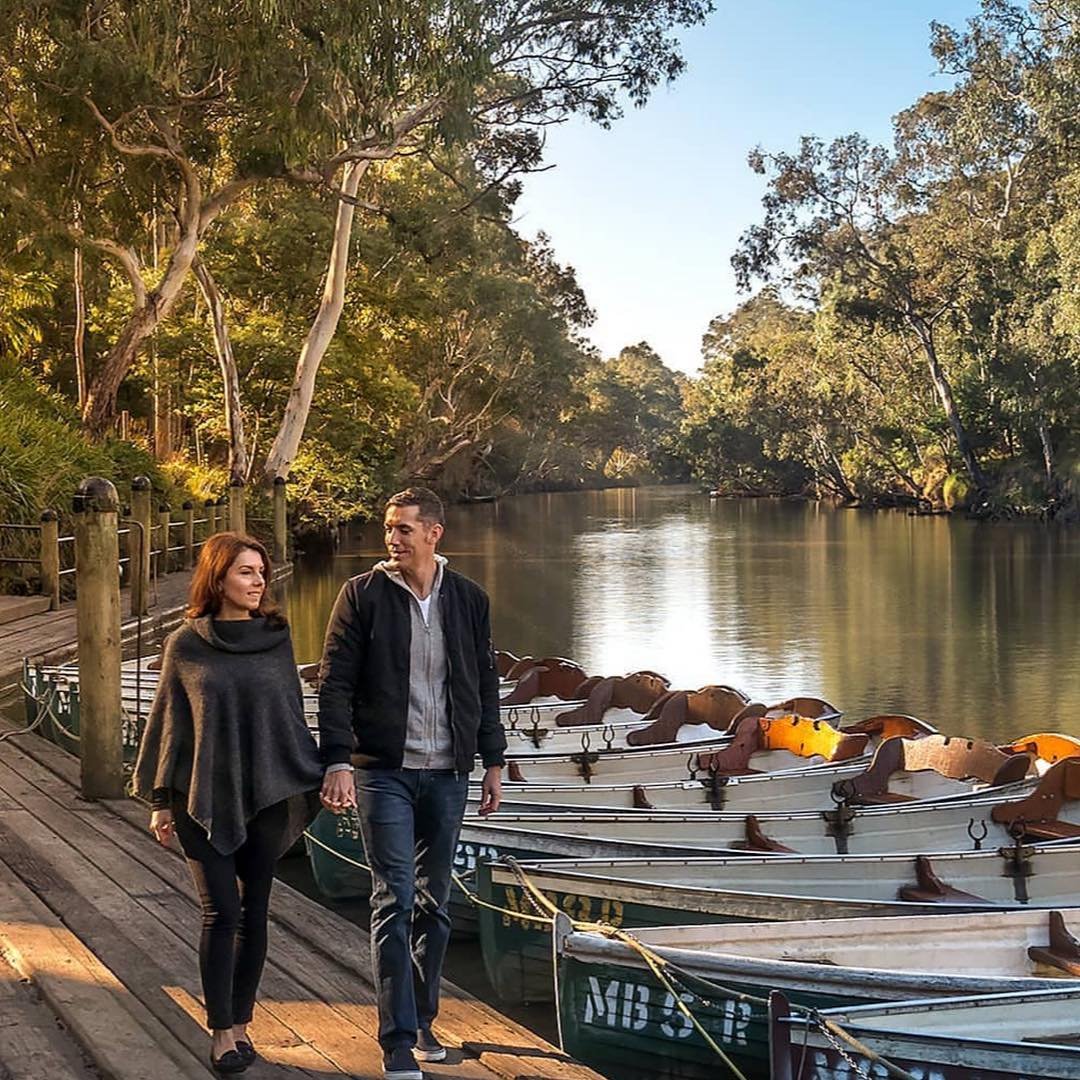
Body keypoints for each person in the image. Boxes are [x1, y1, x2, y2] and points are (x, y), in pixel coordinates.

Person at [318, 487, 505, 1080]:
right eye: (388, 528)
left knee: (436, 904)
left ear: (434, 533)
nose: (392, 538)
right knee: (393, 899)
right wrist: (338, 760)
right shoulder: (362, 595)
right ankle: (396, 1041)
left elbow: (485, 683)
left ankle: (425, 1022)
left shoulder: (469, 600)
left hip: (449, 772)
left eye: (403, 529)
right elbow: (335, 683)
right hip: (383, 773)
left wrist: (493, 760)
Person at [133, 532, 322, 1075]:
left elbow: (287, 719)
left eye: (261, 571)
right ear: (218, 579)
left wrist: (321, 773)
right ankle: (220, 1033)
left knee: (254, 913)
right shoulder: (186, 644)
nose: (259, 581)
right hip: (201, 795)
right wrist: (162, 801)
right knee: (221, 913)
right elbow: (171, 726)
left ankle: (242, 1023)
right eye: (246, 572)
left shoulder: (277, 638)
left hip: (266, 792)